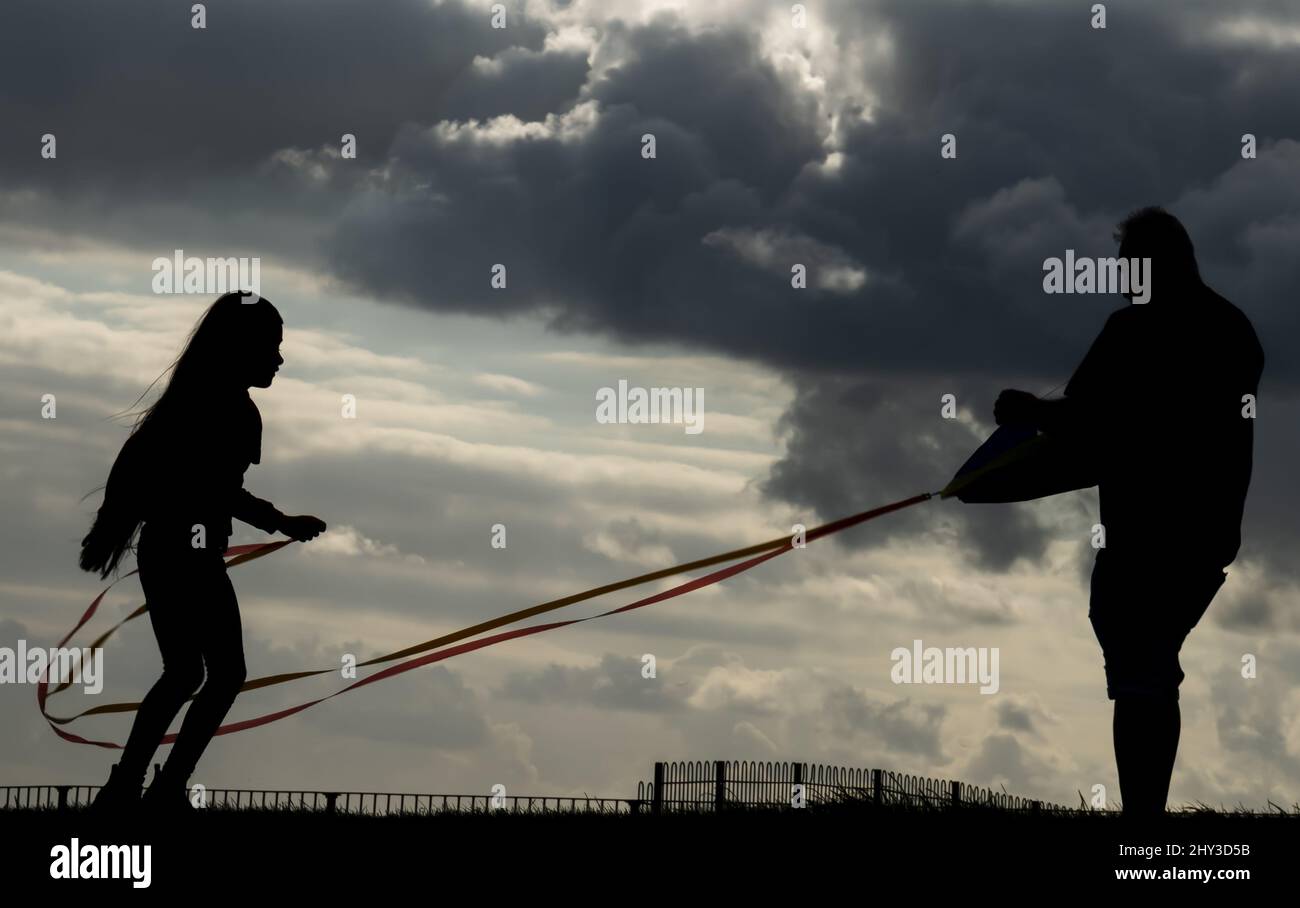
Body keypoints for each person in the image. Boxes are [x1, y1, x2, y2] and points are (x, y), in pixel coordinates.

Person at [993, 207, 1264, 815]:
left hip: (1150, 534)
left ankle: (1143, 827)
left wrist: (1028, 416)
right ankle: (1146, 821)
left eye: (1127, 266)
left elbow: (1107, 426)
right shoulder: (1233, 329)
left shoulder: (1134, 332)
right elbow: (1118, 427)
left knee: (1140, 672)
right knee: (1147, 668)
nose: (1122, 279)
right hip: (1207, 533)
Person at [79, 292, 327, 814]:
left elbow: (205, 486)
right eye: (271, 347)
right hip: (188, 554)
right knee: (220, 673)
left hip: (166, 550)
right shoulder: (231, 411)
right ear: (241, 348)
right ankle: (161, 788)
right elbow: (218, 489)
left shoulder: (192, 402)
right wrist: (280, 521)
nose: (279, 359)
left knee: (185, 672)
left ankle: (128, 787)